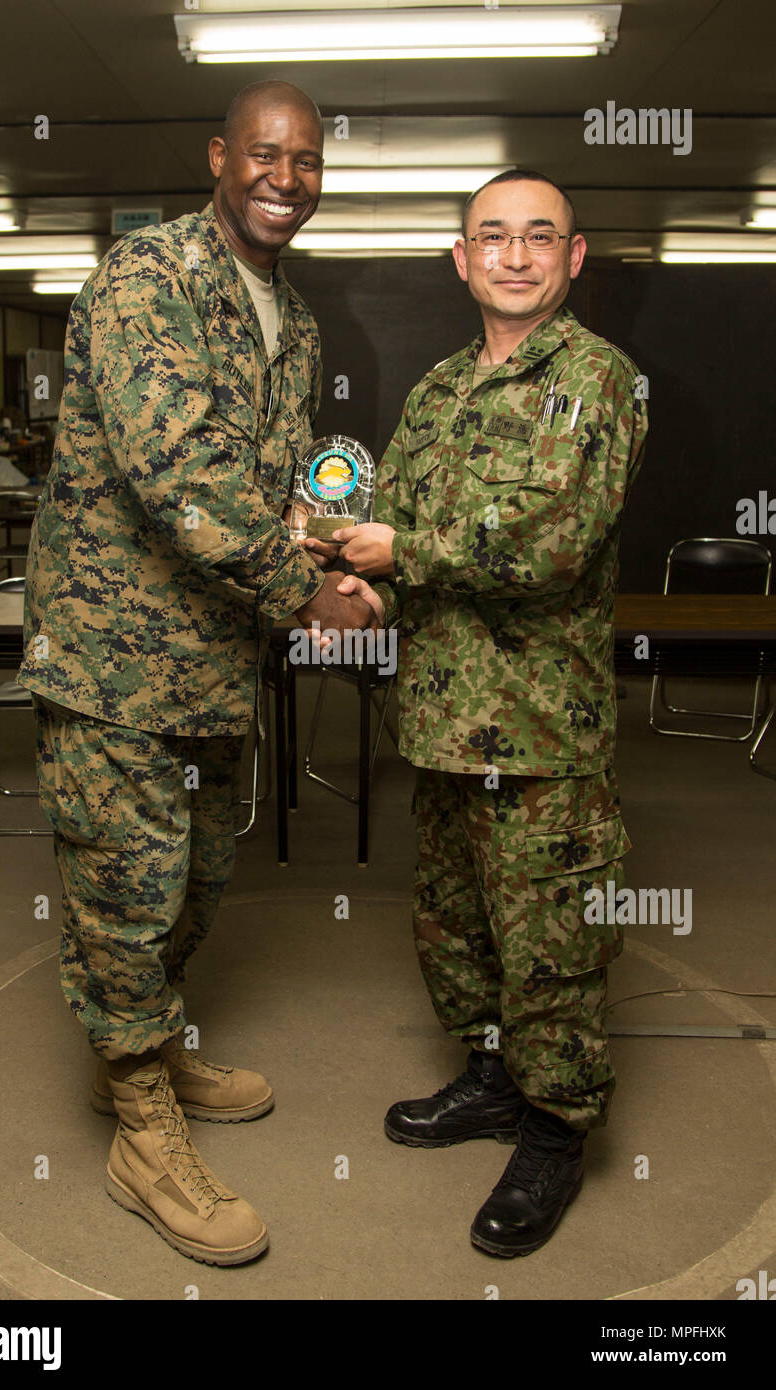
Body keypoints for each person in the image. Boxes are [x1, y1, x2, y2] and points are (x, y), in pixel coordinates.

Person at [17, 80, 374, 1267]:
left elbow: (257, 486)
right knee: (124, 889)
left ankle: (152, 1043)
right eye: (265, 155)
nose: (286, 178)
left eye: (308, 162)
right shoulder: (148, 279)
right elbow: (177, 467)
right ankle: (137, 1124)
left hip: (211, 665)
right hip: (117, 660)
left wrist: (323, 548)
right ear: (219, 157)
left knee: (194, 880)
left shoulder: (294, 318)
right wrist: (305, 594)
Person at [316, 170, 648, 1257]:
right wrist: (362, 587)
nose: (513, 255)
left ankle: (555, 1131)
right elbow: (396, 530)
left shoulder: (598, 383)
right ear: (460, 260)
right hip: (443, 728)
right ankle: (495, 1078)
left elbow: (553, 547)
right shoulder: (437, 390)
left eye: (536, 237)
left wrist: (399, 554)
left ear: (572, 257)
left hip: (543, 737)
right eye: (490, 237)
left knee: (552, 942)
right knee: (456, 933)